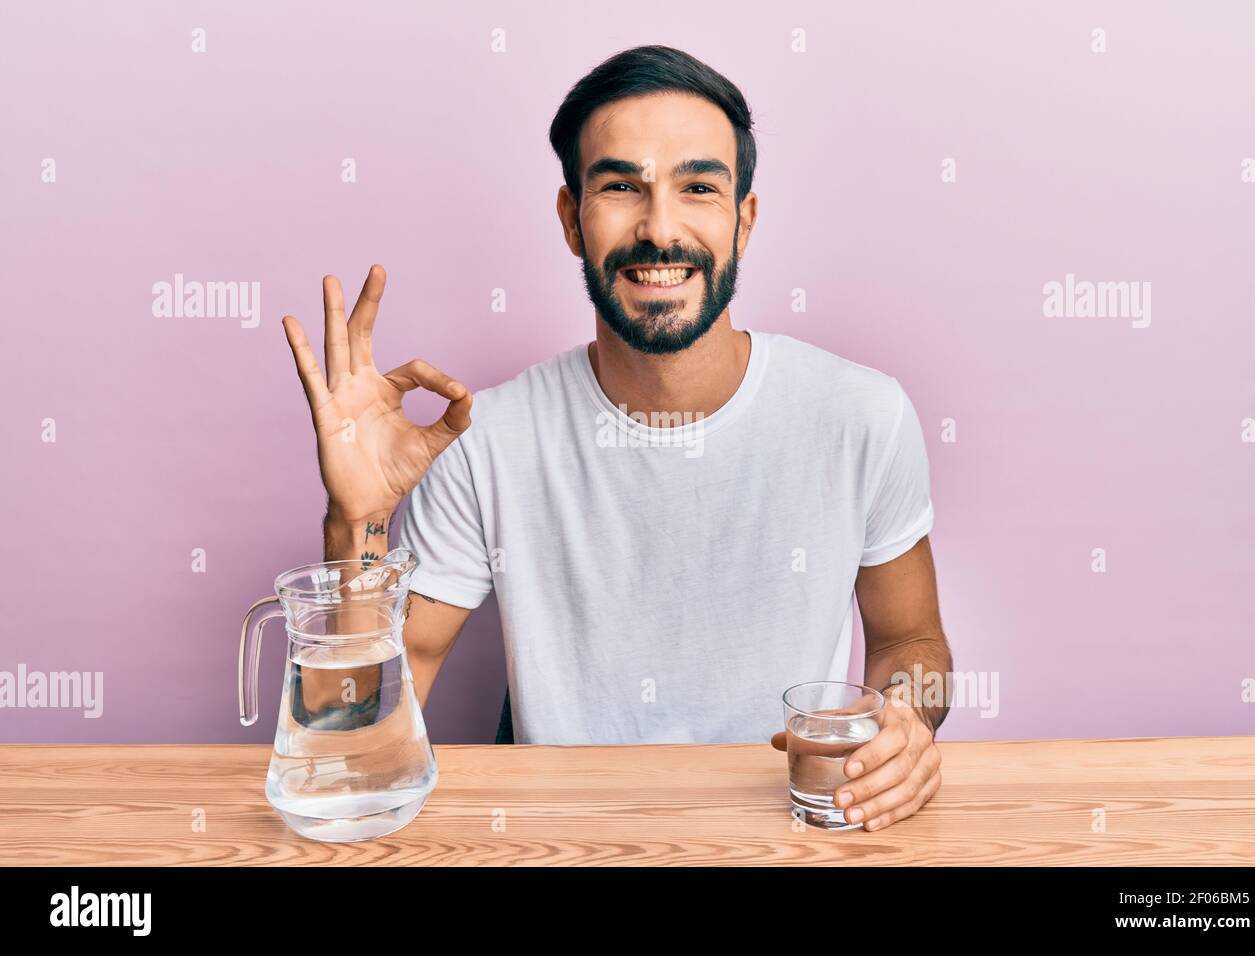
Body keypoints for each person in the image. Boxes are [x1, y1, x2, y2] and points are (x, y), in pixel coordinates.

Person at [281, 45, 950, 831]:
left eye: (698, 187)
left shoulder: (860, 415)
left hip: (784, 835)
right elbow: (351, 741)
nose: (659, 229)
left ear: (745, 217)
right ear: (571, 219)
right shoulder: (487, 440)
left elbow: (912, 639)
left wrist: (907, 719)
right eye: (621, 187)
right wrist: (356, 518)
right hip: (560, 842)